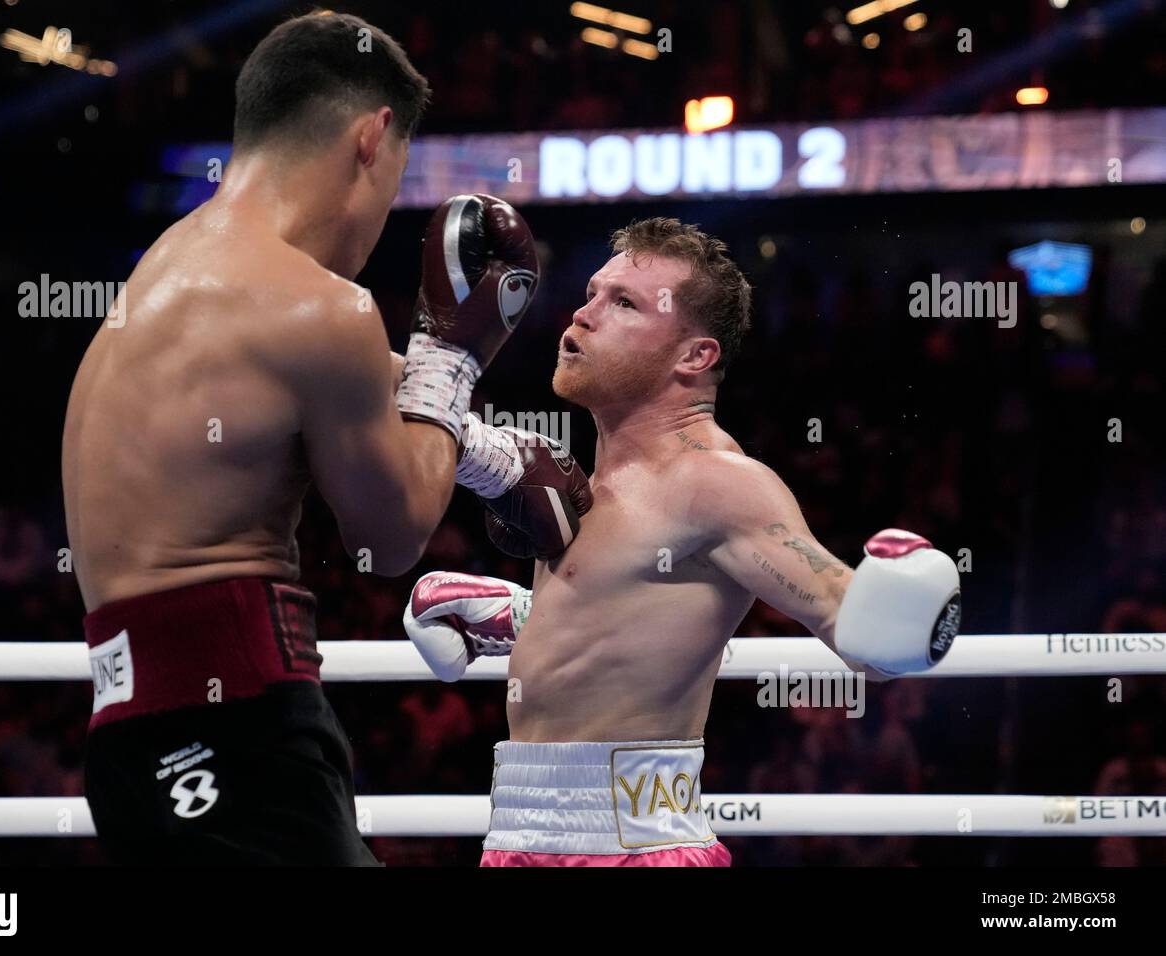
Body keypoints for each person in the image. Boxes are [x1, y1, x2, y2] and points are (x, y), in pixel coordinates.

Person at [62, 12, 586, 865]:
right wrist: (451, 355)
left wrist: (492, 460)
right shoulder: (318, 308)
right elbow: (392, 536)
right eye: (398, 181)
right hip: (228, 729)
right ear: (373, 139)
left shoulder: (172, 269)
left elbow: (376, 397)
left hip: (139, 740)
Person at [405, 218, 961, 866]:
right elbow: (634, 621)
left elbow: (863, 633)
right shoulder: (582, 486)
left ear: (694, 356)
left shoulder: (715, 481)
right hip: (519, 837)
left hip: (634, 848)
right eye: (591, 292)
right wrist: (518, 619)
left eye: (624, 303)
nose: (583, 315)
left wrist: (914, 594)